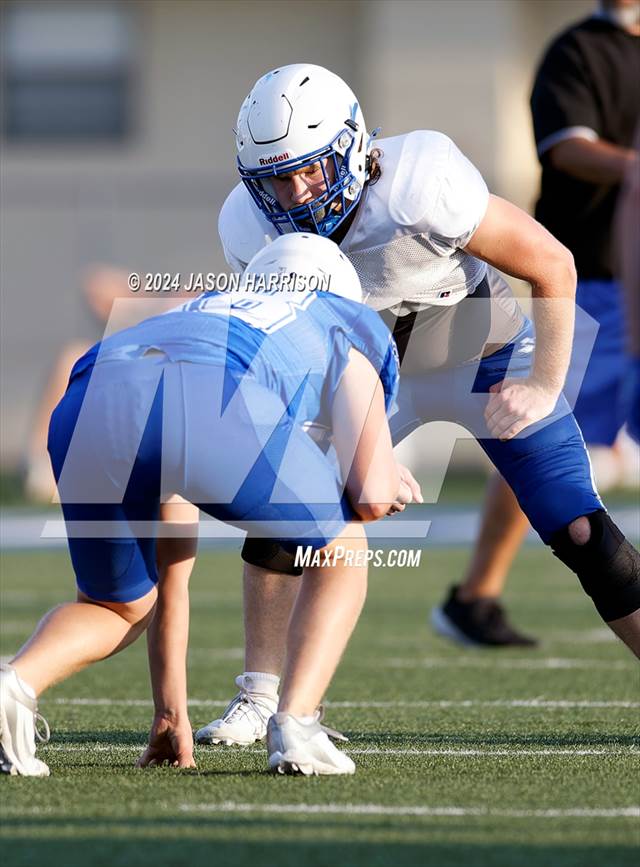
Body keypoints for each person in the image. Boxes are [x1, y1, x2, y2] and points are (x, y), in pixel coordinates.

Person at [195, 62, 640, 748]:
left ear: (351, 146)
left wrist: (545, 384)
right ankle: (259, 697)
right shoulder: (246, 225)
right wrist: (353, 439)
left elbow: (552, 262)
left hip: (486, 360)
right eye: (276, 179)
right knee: (284, 514)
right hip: (367, 374)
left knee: (581, 530)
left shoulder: (419, 182)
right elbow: (299, 336)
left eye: (309, 169)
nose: (296, 193)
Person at [0, 233, 420, 778]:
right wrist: (390, 481)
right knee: (345, 549)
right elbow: (372, 495)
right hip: (210, 395)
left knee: (117, 607)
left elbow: (173, 565)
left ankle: (15, 683)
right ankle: (296, 726)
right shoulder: (342, 321)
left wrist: (170, 711)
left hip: (90, 395)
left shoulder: (203, 308)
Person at [436, 0, 640, 646]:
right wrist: (633, 167)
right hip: (593, 284)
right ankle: (477, 594)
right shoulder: (577, 52)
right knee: (535, 435)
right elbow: (567, 149)